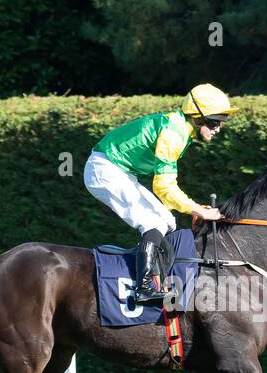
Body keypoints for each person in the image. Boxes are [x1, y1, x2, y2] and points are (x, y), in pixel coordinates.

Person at [83, 84, 234, 302]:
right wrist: (199, 210)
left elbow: (165, 189)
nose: (218, 128)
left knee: (166, 221)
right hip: (104, 169)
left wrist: (193, 208)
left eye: (221, 122)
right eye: (214, 121)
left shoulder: (180, 128)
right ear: (197, 117)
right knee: (152, 222)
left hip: (116, 169)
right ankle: (143, 287)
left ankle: (153, 278)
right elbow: (163, 187)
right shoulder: (174, 134)